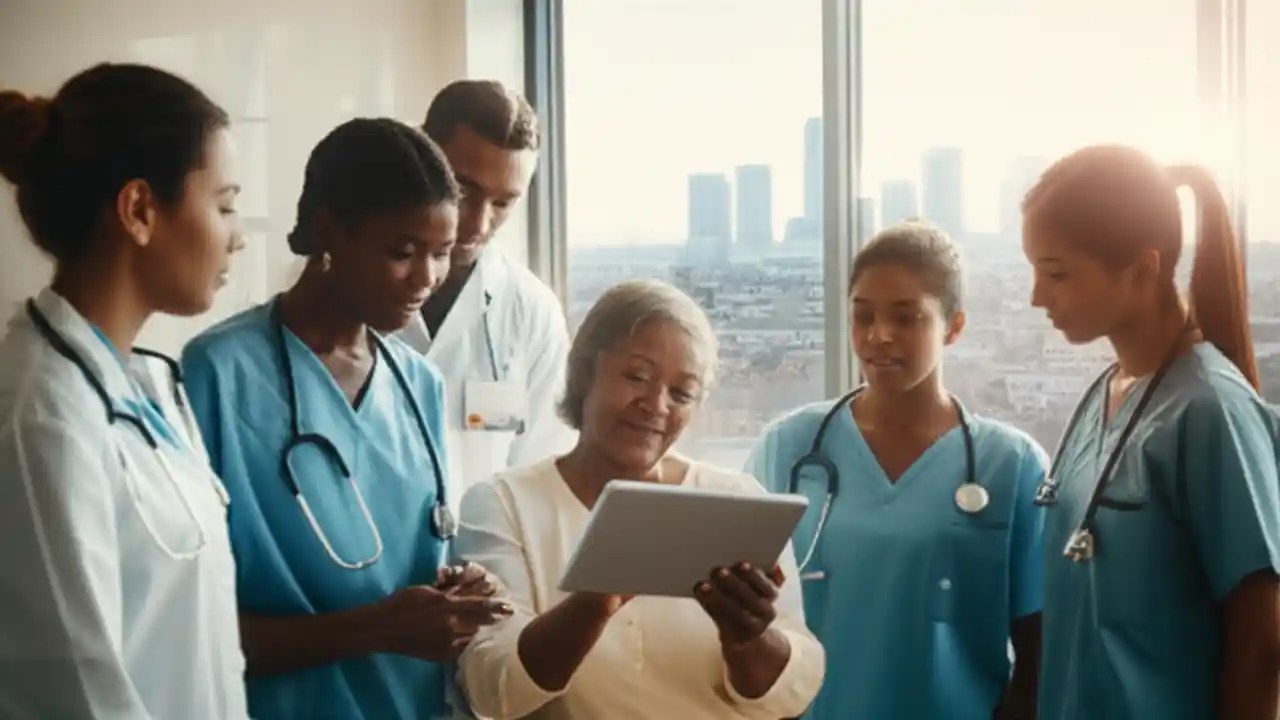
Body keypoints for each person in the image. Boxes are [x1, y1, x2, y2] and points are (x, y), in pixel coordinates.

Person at [180, 118, 511, 720]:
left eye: (441, 254)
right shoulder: (217, 374)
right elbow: (189, 630)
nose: (426, 279)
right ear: (330, 232)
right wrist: (374, 630)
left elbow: (415, 565)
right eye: (402, 251)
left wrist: (458, 594)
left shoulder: (419, 386)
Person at [454, 278, 825, 719]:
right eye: (637, 376)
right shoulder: (503, 505)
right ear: (584, 371)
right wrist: (595, 600)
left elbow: (792, 695)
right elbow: (494, 690)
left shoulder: (735, 502)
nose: (656, 405)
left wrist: (748, 639)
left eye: (681, 393)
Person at [0, 63, 248, 718]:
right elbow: (73, 691)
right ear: (139, 210)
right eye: (223, 204)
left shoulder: (151, 386)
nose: (238, 235)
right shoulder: (41, 416)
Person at [748, 221, 1046, 719]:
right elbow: (740, 618)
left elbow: (1038, 648)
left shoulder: (1010, 465)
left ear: (954, 327)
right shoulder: (788, 449)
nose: (879, 336)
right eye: (862, 316)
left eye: (906, 318)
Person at [1022, 145, 1280, 720]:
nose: (1037, 297)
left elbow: (1261, 647)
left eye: (1057, 274)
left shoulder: (1210, 410)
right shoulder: (1104, 396)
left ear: (1143, 268)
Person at [401, 79, 576, 495]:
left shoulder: (532, 312)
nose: (478, 224)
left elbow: (540, 475)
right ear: (423, 156)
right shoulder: (351, 287)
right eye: (464, 191)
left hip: (482, 555)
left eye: (503, 203)